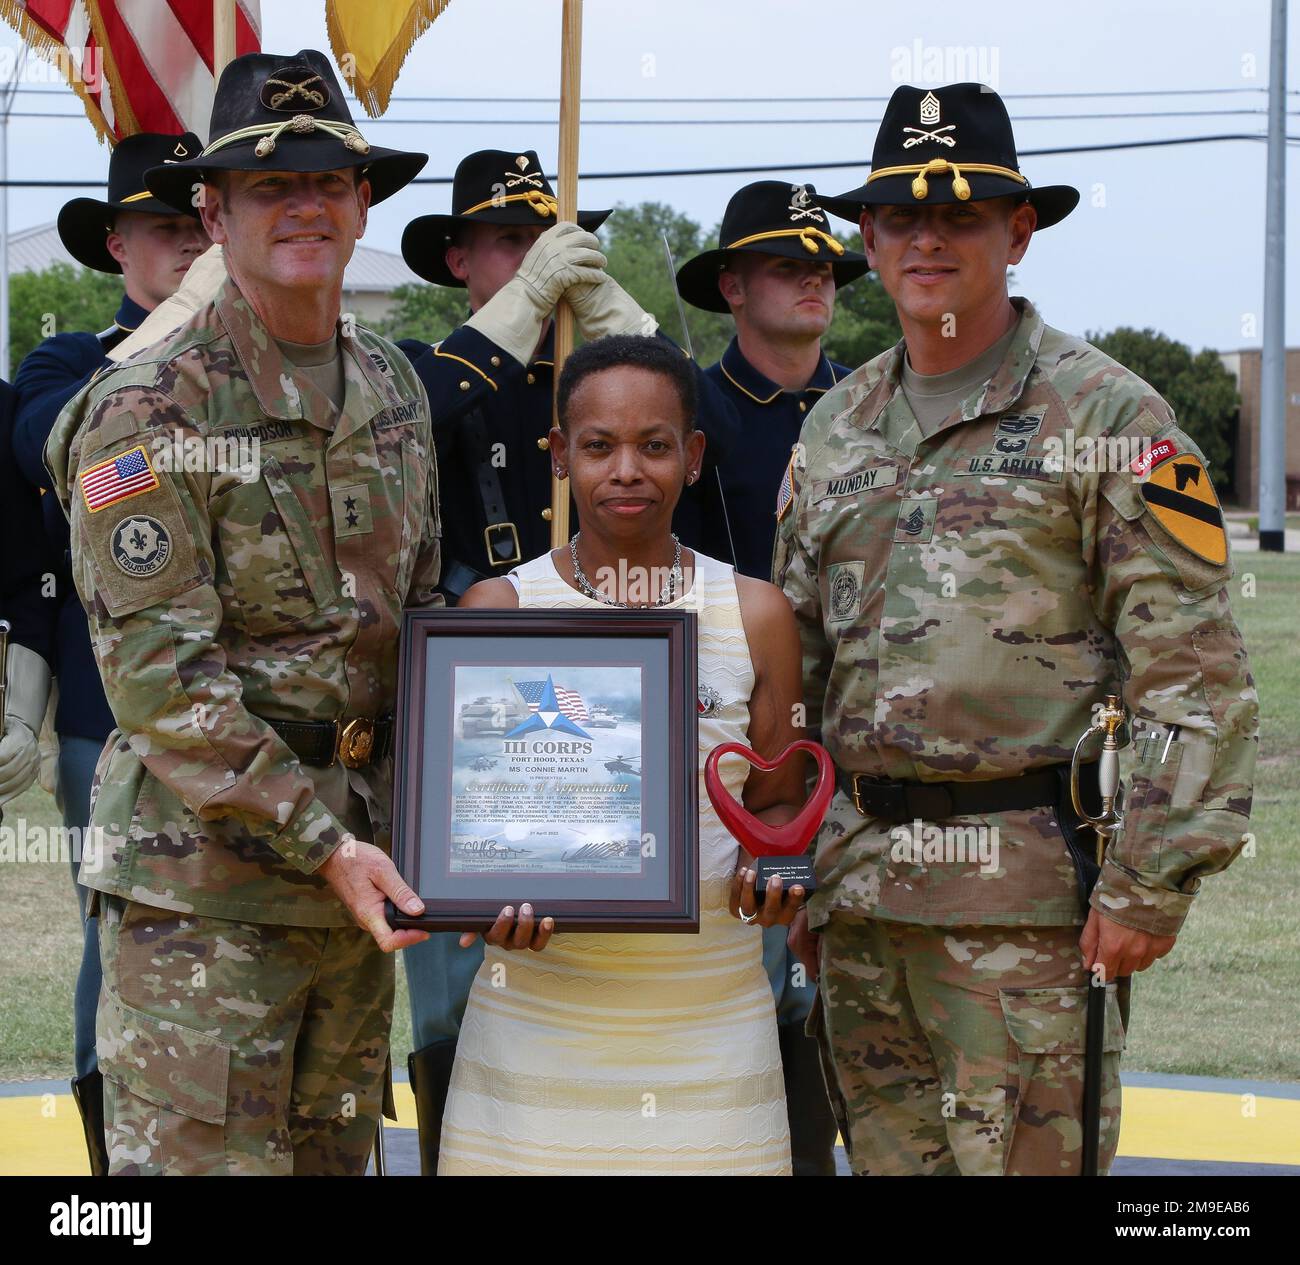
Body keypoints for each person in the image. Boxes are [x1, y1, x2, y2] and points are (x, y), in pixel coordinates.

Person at [776, 82, 1259, 1176]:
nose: (927, 238)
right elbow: (799, 665)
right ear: (868, 235)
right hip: (861, 901)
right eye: (901, 215)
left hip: (1028, 912)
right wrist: (801, 856)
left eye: (961, 214)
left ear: (1019, 230)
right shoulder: (836, 426)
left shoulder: (1111, 419)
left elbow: (1195, 671)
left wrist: (1149, 880)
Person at [44, 48, 439, 1176]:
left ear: (363, 201)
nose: (305, 203)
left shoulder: (397, 391)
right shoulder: (144, 408)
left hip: (355, 899)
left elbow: (417, 631)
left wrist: (483, 827)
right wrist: (331, 848)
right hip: (202, 904)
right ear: (213, 214)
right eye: (271, 185)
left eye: (328, 178)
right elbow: (164, 682)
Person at [396, 149, 742, 1173]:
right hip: (484, 651)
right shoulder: (436, 361)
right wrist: (521, 304)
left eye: (549, 238)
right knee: (463, 981)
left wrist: (605, 305)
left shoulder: (601, 380)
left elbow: (705, 435)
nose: (532, 257)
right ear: (458, 256)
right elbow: (418, 419)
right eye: (508, 240)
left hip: (628, 635)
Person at [438, 334, 807, 1175]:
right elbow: (464, 821)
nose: (628, 469)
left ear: (694, 453)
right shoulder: (499, 607)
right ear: (561, 456)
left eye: (655, 444)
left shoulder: (755, 613)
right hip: (537, 1015)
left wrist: (777, 864)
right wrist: (481, 893)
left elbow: (780, 799)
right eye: (599, 446)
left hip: (710, 1019)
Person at [10, 129, 209, 1176]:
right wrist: (178, 325)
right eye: (165, 226)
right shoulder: (67, 361)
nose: (186, 243)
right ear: (118, 243)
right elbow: (70, 458)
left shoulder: (260, 364)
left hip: (254, 706)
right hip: (112, 707)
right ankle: (108, 1170)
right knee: (120, 931)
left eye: (199, 223)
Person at [676, 180, 871, 1174]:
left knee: (843, 1013)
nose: (813, 281)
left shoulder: (873, 404)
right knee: (738, 1000)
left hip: (858, 741)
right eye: (787, 265)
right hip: (732, 758)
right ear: (730, 283)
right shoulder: (690, 411)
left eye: (824, 265)